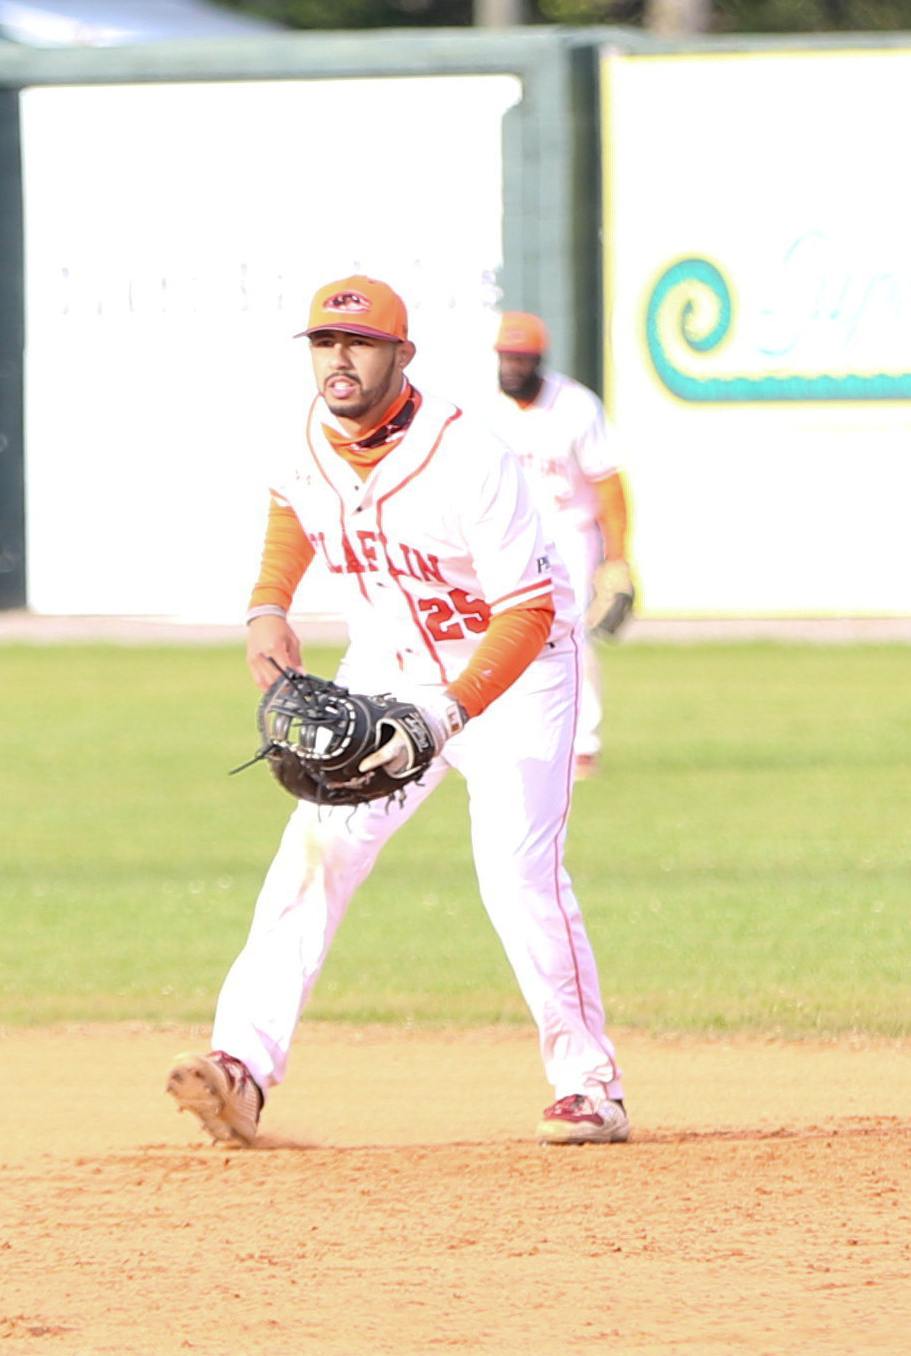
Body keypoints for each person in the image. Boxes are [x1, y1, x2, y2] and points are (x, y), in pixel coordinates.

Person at [165, 275, 628, 1148]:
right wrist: (268, 604)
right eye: (324, 343)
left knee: (518, 877)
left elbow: (527, 611)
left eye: (360, 343)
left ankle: (590, 1084)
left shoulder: (466, 455)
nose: (339, 359)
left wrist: (448, 716)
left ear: (401, 356)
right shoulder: (305, 434)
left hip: (518, 675)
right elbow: (294, 505)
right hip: (390, 671)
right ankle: (241, 1069)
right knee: (313, 855)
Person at [483, 312, 633, 780]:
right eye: (506, 357)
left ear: (539, 360)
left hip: (569, 533)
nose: (512, 367)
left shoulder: (575, 407)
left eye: (522, 359)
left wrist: (617, 558)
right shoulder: (480, 409)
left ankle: (583, 743)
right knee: (497, 632)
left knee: (570, 634)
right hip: (504, 534)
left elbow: (608, 486)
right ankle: (504, 737)